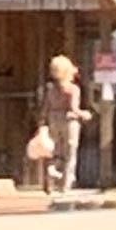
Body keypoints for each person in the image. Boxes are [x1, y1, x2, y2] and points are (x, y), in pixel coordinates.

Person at [40, 49, 85, 201]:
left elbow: (45, 108)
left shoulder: (50, 89)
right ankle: (65, 185)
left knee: (53, 151)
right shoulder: (73, 89)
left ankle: (50, 179)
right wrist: (84, 114)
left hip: (53, 120)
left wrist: (42, 123)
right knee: (70, 153)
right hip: (69, 121)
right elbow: (73, 109)